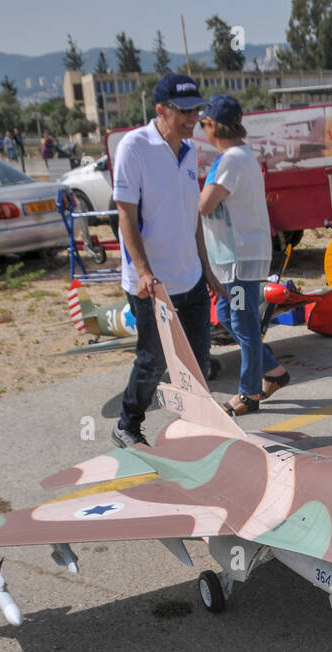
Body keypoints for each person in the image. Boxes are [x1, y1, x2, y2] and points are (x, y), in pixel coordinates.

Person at [110, 74, 225, 449]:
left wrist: (206, 269)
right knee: (153, 360)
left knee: (196, 364)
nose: (193, 118)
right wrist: (144, 273)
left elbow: (191, 216)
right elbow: (125, 214)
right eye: (185, 111)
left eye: (197, 110)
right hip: (151, 283)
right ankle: (128, 423)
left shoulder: (190, 152)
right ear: (161, 110)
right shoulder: (134, 147)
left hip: (189, 277)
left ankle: (192, 428)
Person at [197, 94, 290, 416]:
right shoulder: (241, 155)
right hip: (235, 256)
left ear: (214, 126)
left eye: (203, 123)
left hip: (238, 257)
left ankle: (248, 394)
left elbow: (204, 205)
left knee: (243, 324)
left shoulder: (230, 160)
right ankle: (274, 372)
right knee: (226, 314)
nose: (202, 129)